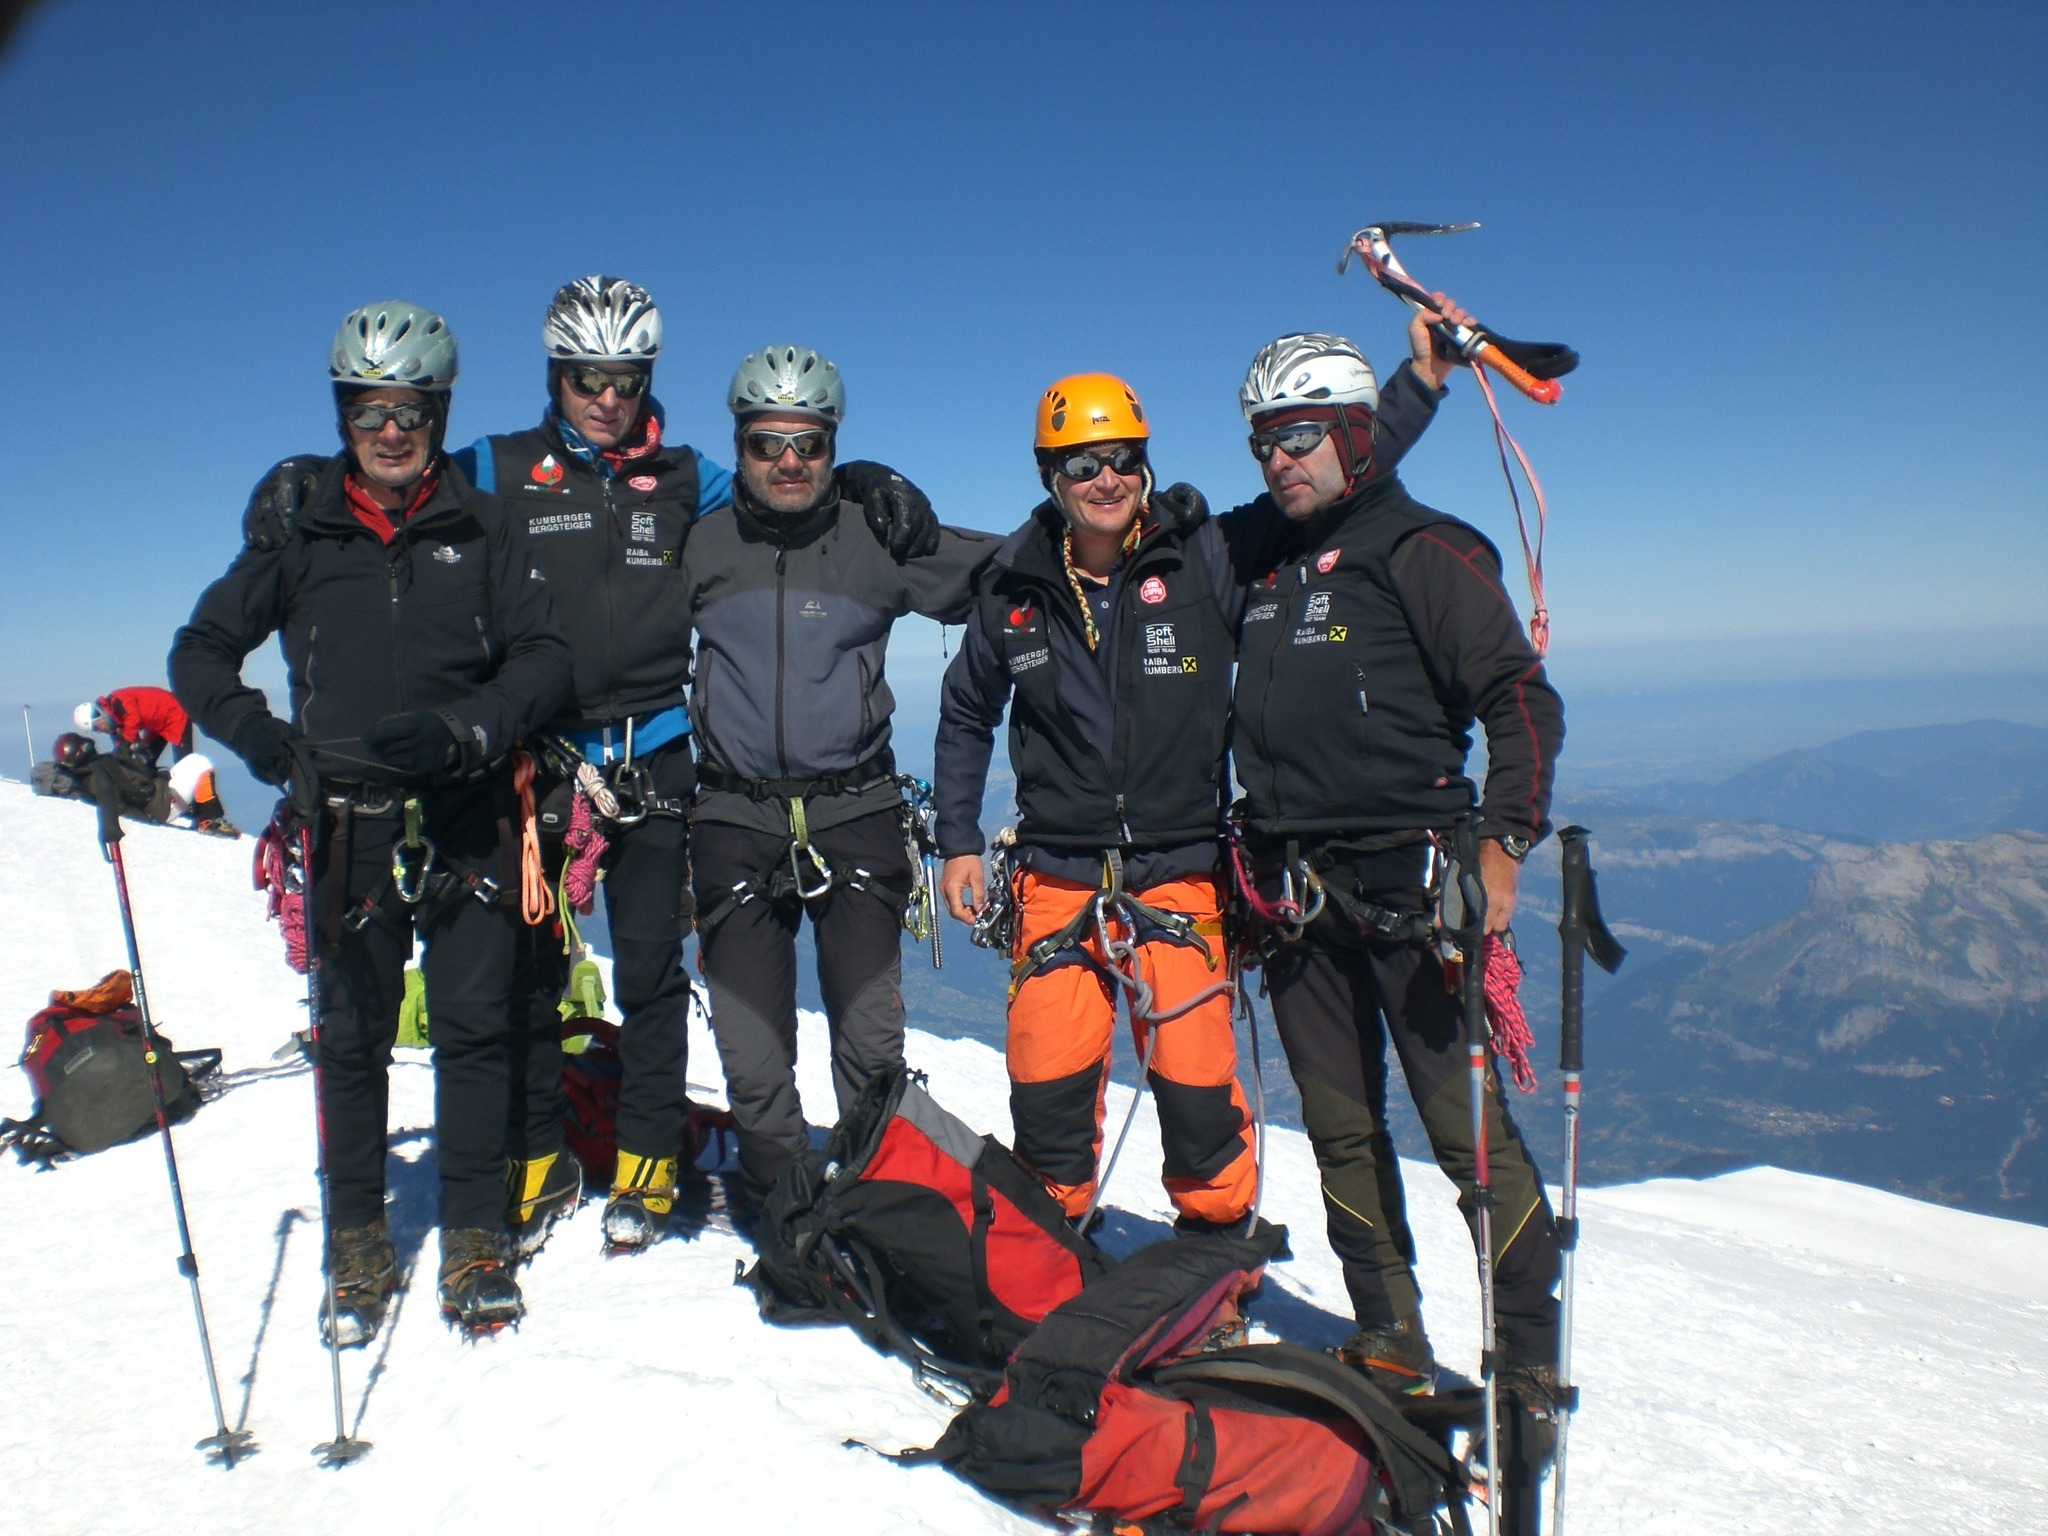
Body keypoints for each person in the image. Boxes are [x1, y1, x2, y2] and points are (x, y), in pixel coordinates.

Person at [245, 277, 938, 1255]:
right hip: (537, 763)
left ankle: (649, 1167)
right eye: (583, 379)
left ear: (644, 377)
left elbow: (779, 479)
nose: (604, 399)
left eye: (622, 378)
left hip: (654, 757)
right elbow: (403, 471)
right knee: (531, 974)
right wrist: (309, 477)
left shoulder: (687, 475)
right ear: (555, 376)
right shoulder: (499, 466)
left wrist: (863, 477)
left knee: (652, 973)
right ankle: (537, 1159)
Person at [930, 341, 1449, 1233]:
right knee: (1048, 1093)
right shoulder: (1013, 590)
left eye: (1125, 459)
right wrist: (958, 840)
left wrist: (1421, 387)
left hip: (1178, 871)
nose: (1108, 480)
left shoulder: (1204, 558)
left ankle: (1216, 1254)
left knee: (1199, 1096)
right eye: (1085, 464)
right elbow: (966, 712)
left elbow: (1328, 469)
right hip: (1055, 878)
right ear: (1051, 474)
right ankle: (1051, 1256)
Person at [170, 300, 572, 1340]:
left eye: (410, 411)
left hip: (467, 811)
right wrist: (262, 741)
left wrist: (469, 730)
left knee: (475, 1033)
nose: (390, 433)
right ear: (344, 414)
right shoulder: (303, 531)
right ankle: (358, 1238)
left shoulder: (487, 526)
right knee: (350, 1039)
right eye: (368, 412)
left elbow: (545, 663)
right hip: (345, 819)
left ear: (438, 414)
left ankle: (475, 1234)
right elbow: (200, 653)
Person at [1227, 326, 1566, 1417]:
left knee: (1464, 1137)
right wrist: (1423, 376)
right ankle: (1387, 1333)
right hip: (1291, 900)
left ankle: (1521, 1355)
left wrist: (1502, 843)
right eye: (1263, 442)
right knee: (1337, 1127)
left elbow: (1519, 700)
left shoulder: (1421, 549)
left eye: (1300, 436)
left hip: (1415, 894)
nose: (1280, 460)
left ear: (1351, 436)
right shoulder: (1265, 560)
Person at [681, 344, 995, 1203]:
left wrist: (1155, 526)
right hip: (733, 819)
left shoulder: (877, 537)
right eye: (767, 443)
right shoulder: (699, 544)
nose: (789, 461)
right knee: (751, 1054)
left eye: (811, 444)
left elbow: (1022, 568)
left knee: (868, 1043)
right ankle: (783, 1208)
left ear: (832, 445)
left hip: (855, 810)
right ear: (738, 445)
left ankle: (868, 1207)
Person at [75, 685, 194, 765]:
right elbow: (120, 741)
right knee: (146, 760)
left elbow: (133, 719)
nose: (99, 731)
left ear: (99, 716)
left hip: (174, 714)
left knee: (184, 763)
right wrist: (120, 752)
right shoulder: (114, 720)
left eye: (96, 727)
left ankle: (196, 801)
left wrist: (127, 742)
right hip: (156, 726)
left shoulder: (118, 700)